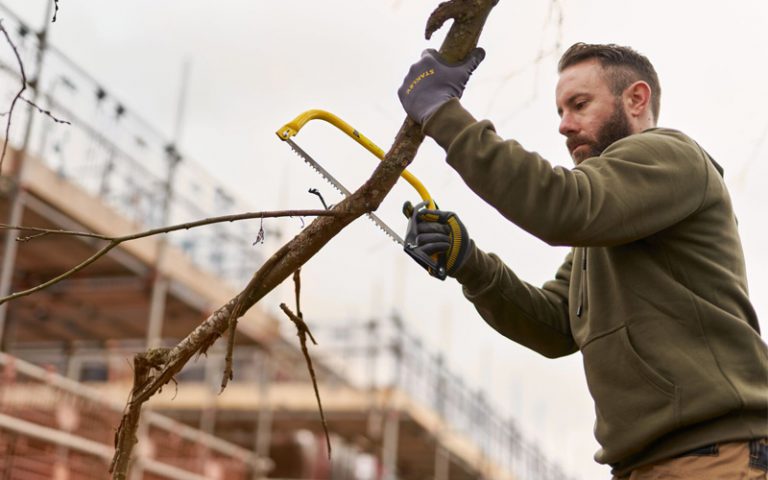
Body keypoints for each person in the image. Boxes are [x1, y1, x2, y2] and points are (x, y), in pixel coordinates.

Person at [397, 43, 768, 479]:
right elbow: (555, 325)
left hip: (710, 456)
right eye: (559, 112)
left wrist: (444, 114)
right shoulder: (606, 225)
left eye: (579, 105)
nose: (564, 126)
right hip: (648, 464)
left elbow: (563, 207)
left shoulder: (673, 156)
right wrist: (468, 263)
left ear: (636, 99)